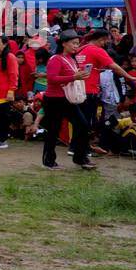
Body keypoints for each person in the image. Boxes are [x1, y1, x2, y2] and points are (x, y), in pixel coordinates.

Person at [41, 30, 94, 171]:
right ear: (64, 43)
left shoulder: (71, 59)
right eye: (73, 43)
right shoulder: (55, 59)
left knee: (83, 125)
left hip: (67, 99)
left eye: (77, 43)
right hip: (53, 100)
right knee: (53, 130)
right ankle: (49, 160)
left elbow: (70, 77)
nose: (76, 46)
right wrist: (74, 77)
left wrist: (80, 76)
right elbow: (51, 78)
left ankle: (80, 157)